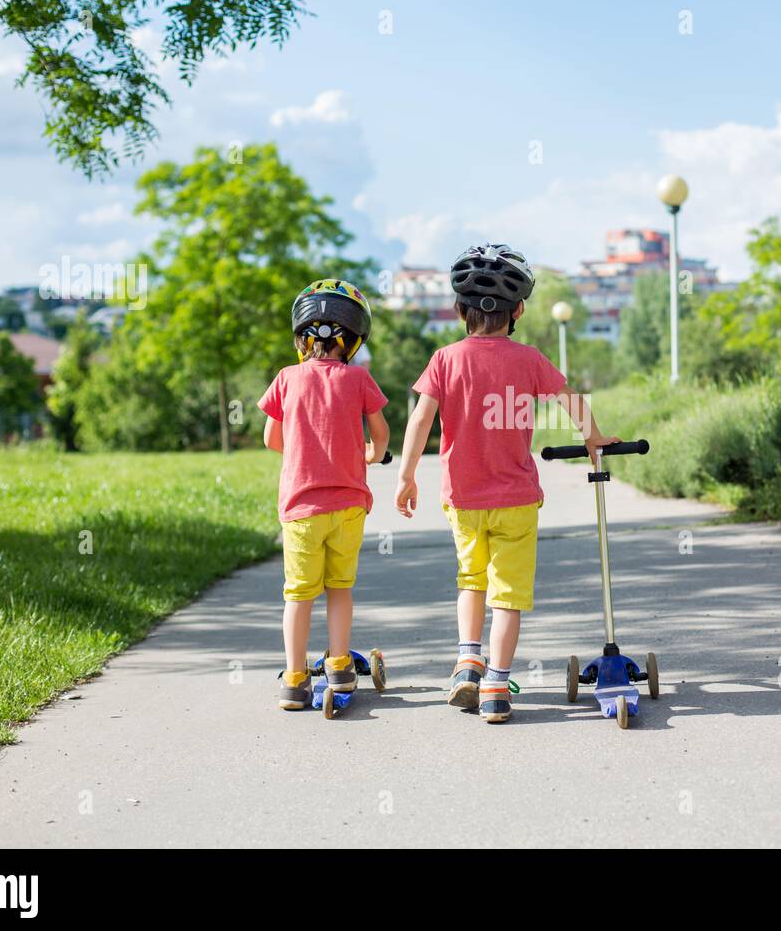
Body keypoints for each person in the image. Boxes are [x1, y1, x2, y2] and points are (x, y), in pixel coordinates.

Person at [394, 244, 617, 724]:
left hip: (463, 498)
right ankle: (496, 685)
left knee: (471, 581)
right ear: (519, 310)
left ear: (458, 310)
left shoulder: (445, 360)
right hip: (515, 498)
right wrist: (593, 436)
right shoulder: (530, 359)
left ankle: (467, 662)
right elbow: (570, 400)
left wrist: (407, 474)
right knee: (508, 595)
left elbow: (420, 421)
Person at [258, 279, 390, 710]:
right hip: (348, 506)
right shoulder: (359, 379)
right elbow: (382, 435)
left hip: (301, 509)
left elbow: (271, 439)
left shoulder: (286, 378)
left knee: (297, 594)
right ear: (352, 342)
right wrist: (371, 454)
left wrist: (303, 449)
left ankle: (294, 679)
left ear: (301, 339)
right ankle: (338, 665)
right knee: (339, 588)